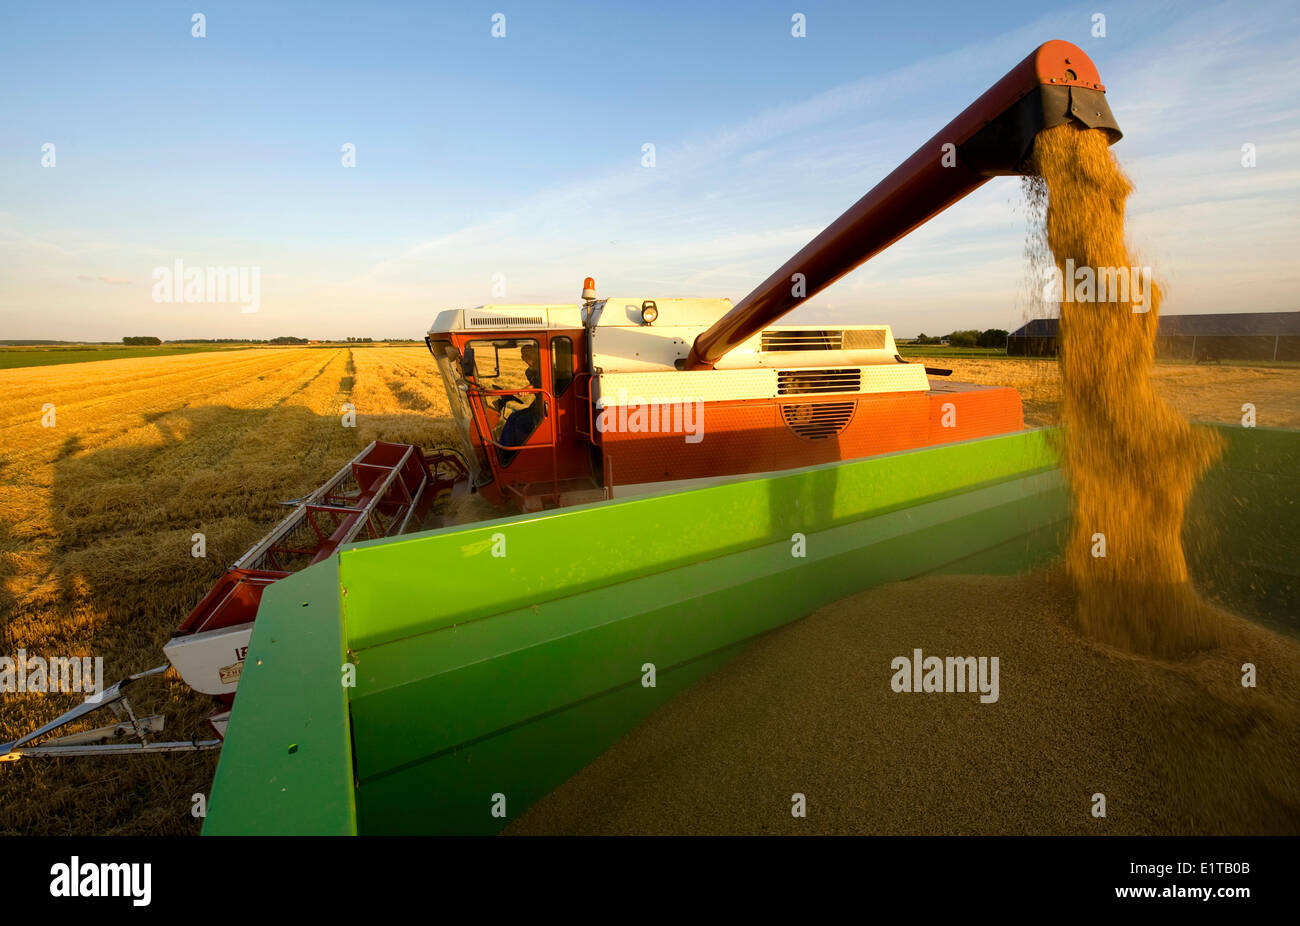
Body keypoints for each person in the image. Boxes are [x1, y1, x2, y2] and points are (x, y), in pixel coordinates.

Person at [495, 344, 543, 465]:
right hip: (538, 405)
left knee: (521, 422)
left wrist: (528, 388)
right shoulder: (530, 371)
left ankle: (520, 456)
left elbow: (542, 383)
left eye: (529, 356)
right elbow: (535, 383)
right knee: (513, 416)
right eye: (524, 357)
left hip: (545, 407)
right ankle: (504, 450)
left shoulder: (545, 367)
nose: (527, 360)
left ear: (536, 355)